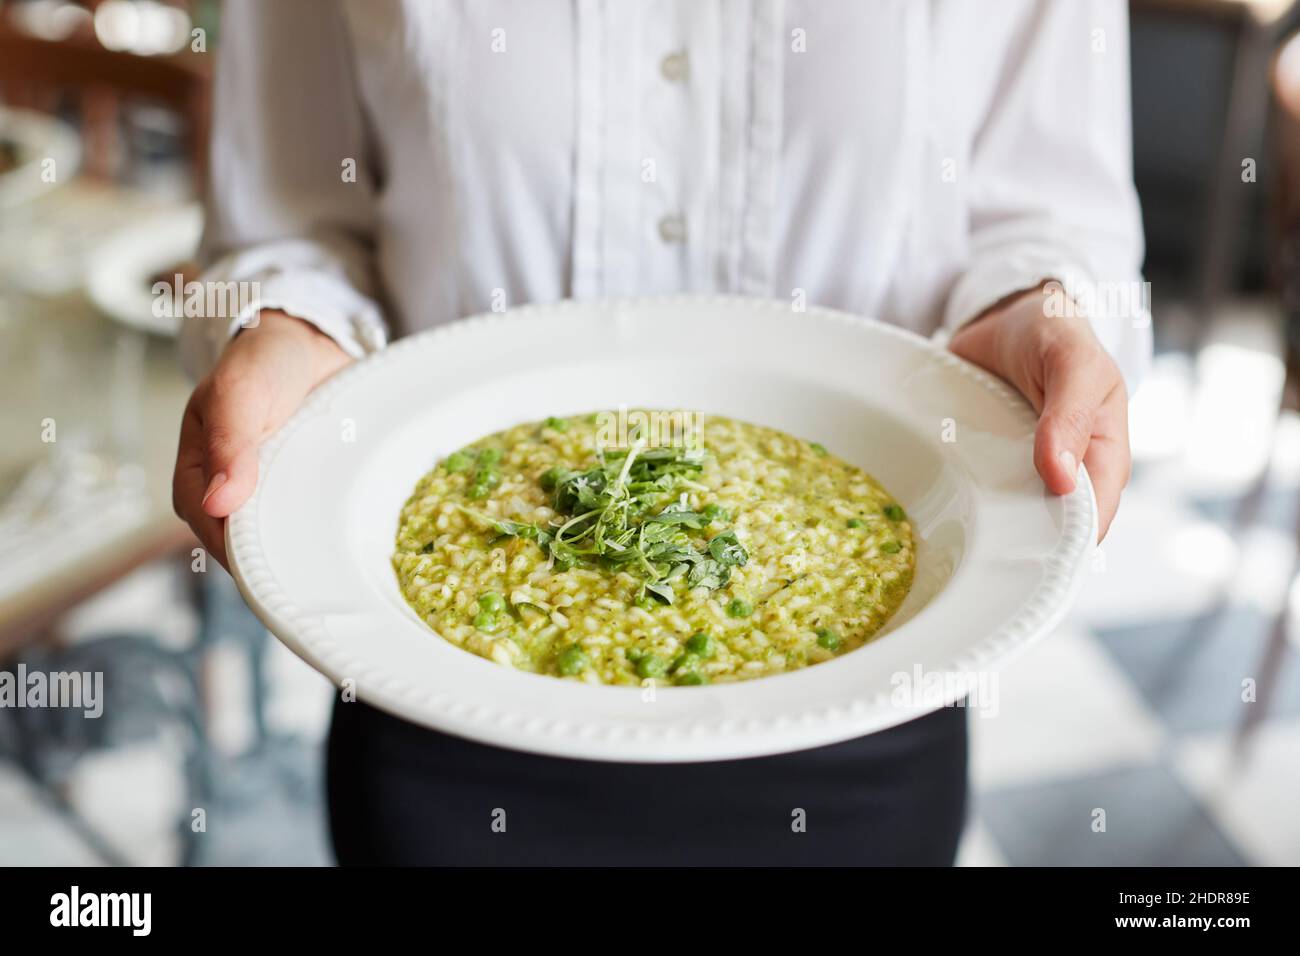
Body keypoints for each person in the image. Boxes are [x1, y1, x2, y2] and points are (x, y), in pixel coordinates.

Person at [174, 0, 1147, 865]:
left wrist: (1041, 312)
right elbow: (291, 213)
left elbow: (1047, 206)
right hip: (445, 724)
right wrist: (287, 327)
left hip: (869, 723)